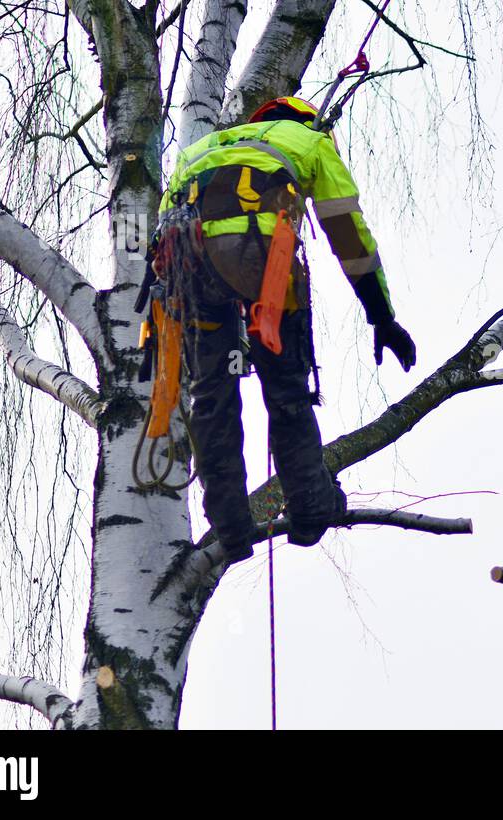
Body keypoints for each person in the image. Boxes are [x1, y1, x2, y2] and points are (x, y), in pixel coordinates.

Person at [153, 95, 416, 564]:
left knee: (211, 393)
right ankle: (311, 506)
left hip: (189, 263)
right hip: (259, 260)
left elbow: (161, 230)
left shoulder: (201, 148)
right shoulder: (310, 141)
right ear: (302, 119)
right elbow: (347, 232)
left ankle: (231, 527)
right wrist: (381, 316)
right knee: (285, 387)